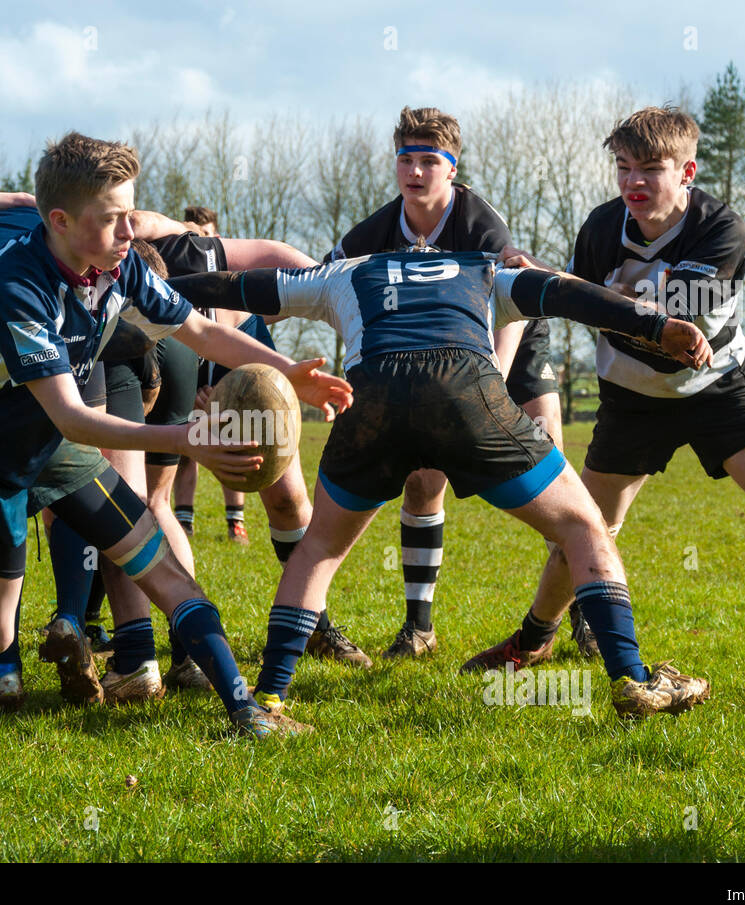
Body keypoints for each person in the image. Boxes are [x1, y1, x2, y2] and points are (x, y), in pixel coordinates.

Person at [0, 132, 351, 779]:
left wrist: (288, 372)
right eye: (111, 219)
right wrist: (188, 439)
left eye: (130, 213)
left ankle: (247, 710)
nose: (128, 231)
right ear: (60, 222)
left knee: (165, 572)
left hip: (40, 447)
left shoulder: (118, 264)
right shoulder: (18, 285)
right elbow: (75, 414)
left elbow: (197, 329)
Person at [170, 244, 715, 721]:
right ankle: (632, 679)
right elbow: (572, 296)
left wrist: (149, 288)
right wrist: (656, 325)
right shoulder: (483, 268)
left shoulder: (346, 272)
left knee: (318, 550)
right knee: (583, 526)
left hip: (375, 398)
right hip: (466, 393)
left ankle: (267, 701)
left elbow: (240, 288)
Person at [465, 106, 745, 694]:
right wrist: (542, 278)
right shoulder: (602, 226)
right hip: (631, 401)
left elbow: (676, 341)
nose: (634, 182)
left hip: (720, 392)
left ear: (687, 172)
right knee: (584, 531)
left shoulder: (721, 230)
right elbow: (587, 301)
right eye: (623, 167)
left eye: (651, 169)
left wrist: (586, 295)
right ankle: (533, 639)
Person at [328, 106, 569, 663]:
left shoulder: (482, 227)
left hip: (509, 338)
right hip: (430, 356)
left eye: (428, 160)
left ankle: (574, 611)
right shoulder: (372, 233)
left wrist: (488, 389)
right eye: (405, 159)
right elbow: (330, 291)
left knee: (552, 469)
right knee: (422, 478)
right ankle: (419, 627)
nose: (414, 171)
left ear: (452, 169)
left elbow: (506, 313)